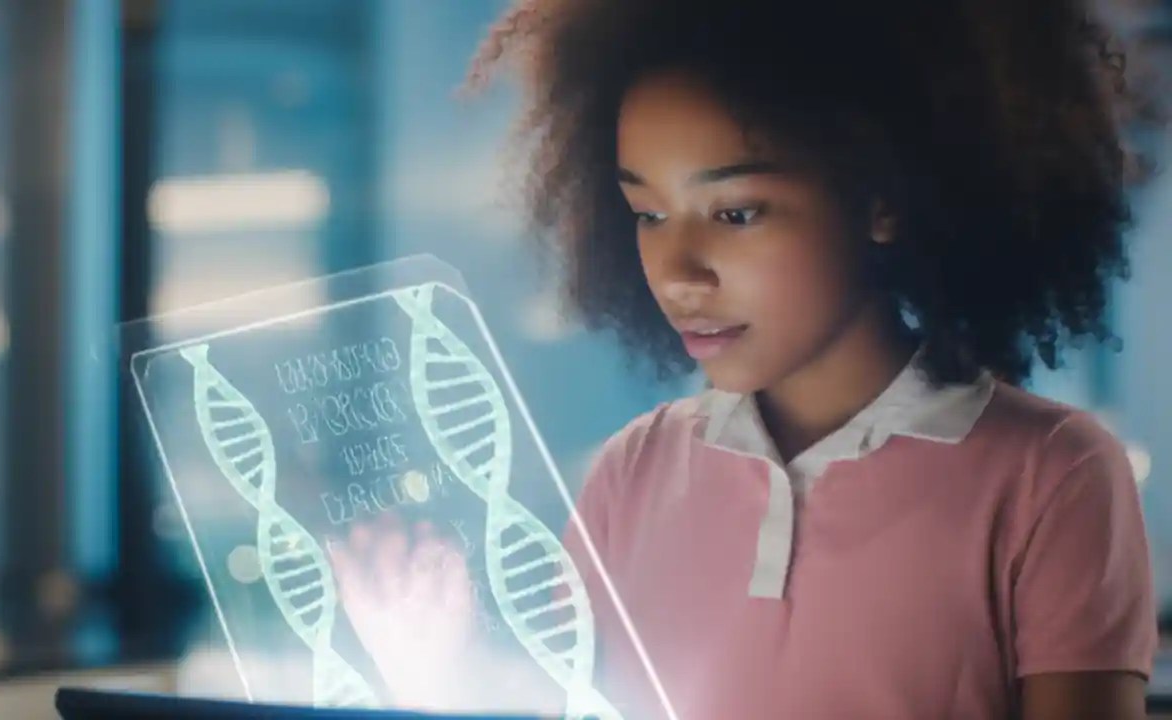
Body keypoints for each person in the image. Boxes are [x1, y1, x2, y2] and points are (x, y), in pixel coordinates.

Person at [453, 0, 1160, 718]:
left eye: (736, 212)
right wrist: (436, 649)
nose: (676, 273)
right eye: (648, 214)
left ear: (883, 202)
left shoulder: (1052, 475)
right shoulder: (630, 474)